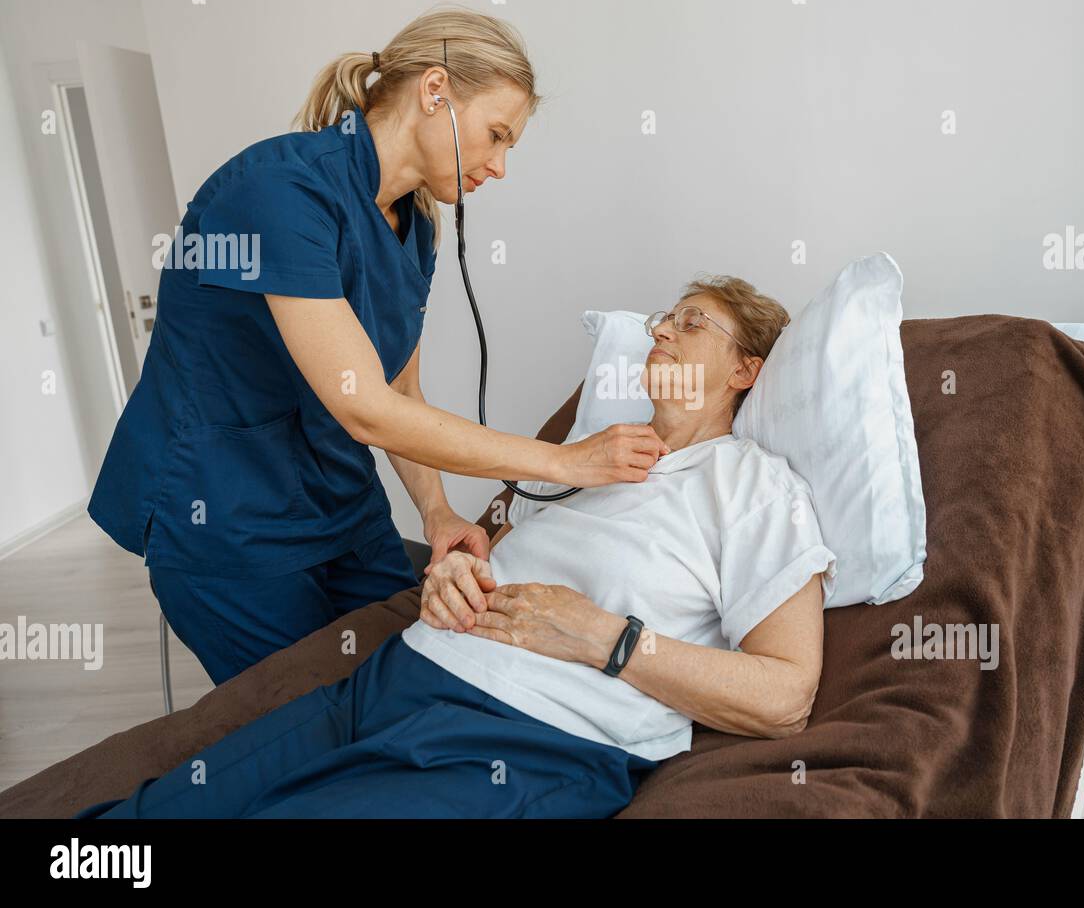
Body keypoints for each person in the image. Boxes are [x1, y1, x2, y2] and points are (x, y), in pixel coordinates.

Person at [77, 278, 836, 818]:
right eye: (662, 318)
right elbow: (493, 549)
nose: (660, 329)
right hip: (393, 679)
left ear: (746, 369)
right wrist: (459, 568)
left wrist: (607, 638)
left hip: (524, 737)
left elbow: (784, 698)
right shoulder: (584, 458)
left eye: (691, 321)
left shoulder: (753, 488)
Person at [87, 6, 667, 686]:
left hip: (340, 511)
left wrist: (438, 510)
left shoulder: (414, 224)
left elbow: (398, 391)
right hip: (229, 521)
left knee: (419, 675)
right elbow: (365, 409)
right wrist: (564, 463)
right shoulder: (279, 193)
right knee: (309, 723)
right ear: (434, 92)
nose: (501, 167)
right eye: (496, 135)